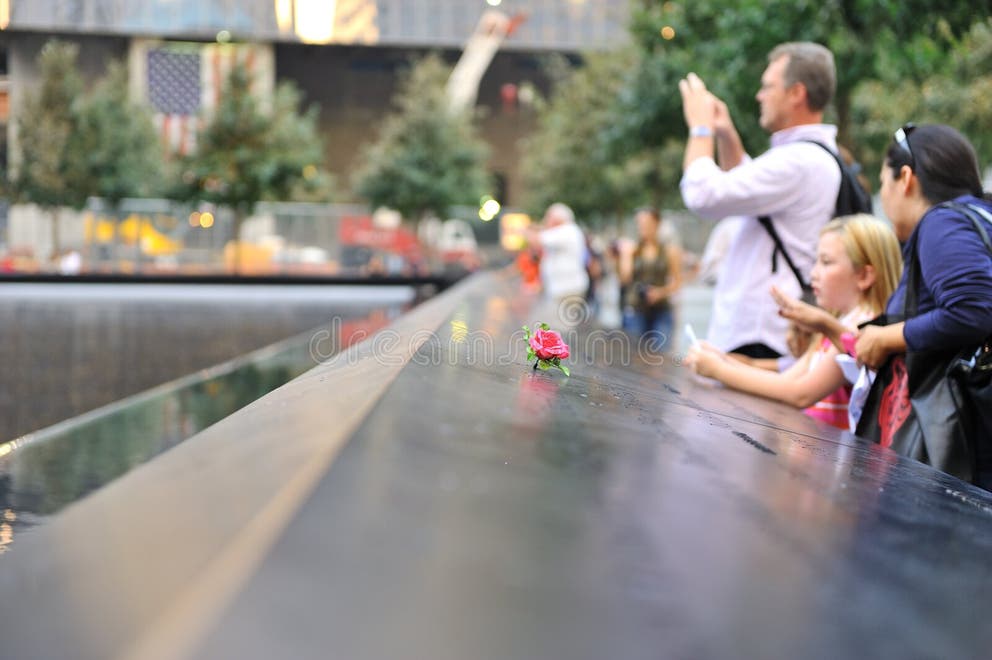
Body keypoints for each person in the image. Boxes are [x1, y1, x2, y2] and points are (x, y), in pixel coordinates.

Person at [678, 42, 842, 360]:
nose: (759, 95)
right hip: (765, 331)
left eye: (767, 86)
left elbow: (703, 195)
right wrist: (726, 134)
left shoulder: (798, 160)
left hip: (760, 336)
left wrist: (701, 129)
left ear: (796, 93)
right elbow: (745, 183)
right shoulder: (805, 157)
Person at [853, 124, 992, 484]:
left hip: (965, 446)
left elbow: (973, 310)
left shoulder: (941, 222)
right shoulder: (979, 217)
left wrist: (885, 338)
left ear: (906, 178)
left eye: (884, 183)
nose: (884, 197)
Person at [685, 215, 903, 429]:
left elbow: (799, 393)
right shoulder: (839, 324)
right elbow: (787, 378)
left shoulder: (860, 327)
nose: (813, 273)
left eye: (826, 262)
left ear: (864, 276)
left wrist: (717, 370)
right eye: (815, 261)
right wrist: (720, 359)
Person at [618, 207, 683, 346]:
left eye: (646, 222)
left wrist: (660, 293)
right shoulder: (633, 249)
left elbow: (677, 282)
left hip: (661, 309)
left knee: (660, 356)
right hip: (636, 308)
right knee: (634, 355)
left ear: (657, 223)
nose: (642, 227)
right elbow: (625, 279)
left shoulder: (670, 250)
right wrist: (626, 256)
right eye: (639, 223)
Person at [529, 202, 589, 302]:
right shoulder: (566, 231)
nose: (545, 220)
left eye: (548, 217)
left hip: (567, 288)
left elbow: (537, 240)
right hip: (564, 288)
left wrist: (523, 230)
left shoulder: (567, 230)